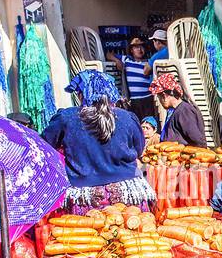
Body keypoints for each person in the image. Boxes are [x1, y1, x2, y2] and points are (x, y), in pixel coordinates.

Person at [42, 69, 154, 214]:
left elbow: (45, 146)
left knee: (89, 235)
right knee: (133, 234)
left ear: (81, 94)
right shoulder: (127, 118)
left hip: (84, 198)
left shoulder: (66, 118)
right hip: (128, 195)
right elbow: (139, 149)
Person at [150, 73, 207, 147]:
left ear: (164, 96)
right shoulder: (173, 111)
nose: (160, 101)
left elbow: (197, 140)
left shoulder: (184, 111)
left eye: (159, 97)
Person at [119, 37, 155, 121]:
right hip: (134, 100)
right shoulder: (127, 60)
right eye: (136, 47)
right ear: (131, 50)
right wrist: (117, 61)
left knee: (148, 122)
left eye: (141, 47)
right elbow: (110, 55)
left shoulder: (148, 62)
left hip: (148, 98)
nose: (139, 49)